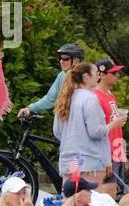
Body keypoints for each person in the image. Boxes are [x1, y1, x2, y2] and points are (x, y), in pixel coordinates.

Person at [53, 61, 125, 196]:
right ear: (86, 77)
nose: (98, 77)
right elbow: (96, 132)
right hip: (89, 162)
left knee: (71, 203)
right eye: (96, 74)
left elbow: (57, 132)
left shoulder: (65, 98)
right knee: (90, 204)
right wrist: (113, 125)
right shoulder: (90, 99)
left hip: (69, 160)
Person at [18, 42, 84, 118]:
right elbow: (50, 98)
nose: (61, 61)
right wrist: (30, 108)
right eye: (60, 58)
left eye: (65, 58)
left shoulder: (85, 78)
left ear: (76, 61)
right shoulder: (62, 75)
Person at [93, 60, 128, 189]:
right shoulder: (95, 97)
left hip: (116, 148)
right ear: (101, 75)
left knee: (116, 190)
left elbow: (115, 127)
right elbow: (97, 128)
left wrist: (121, 152)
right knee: (106, 191)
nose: (117, 76)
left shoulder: (111, 95)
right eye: (113, 73)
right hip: (105, 152)